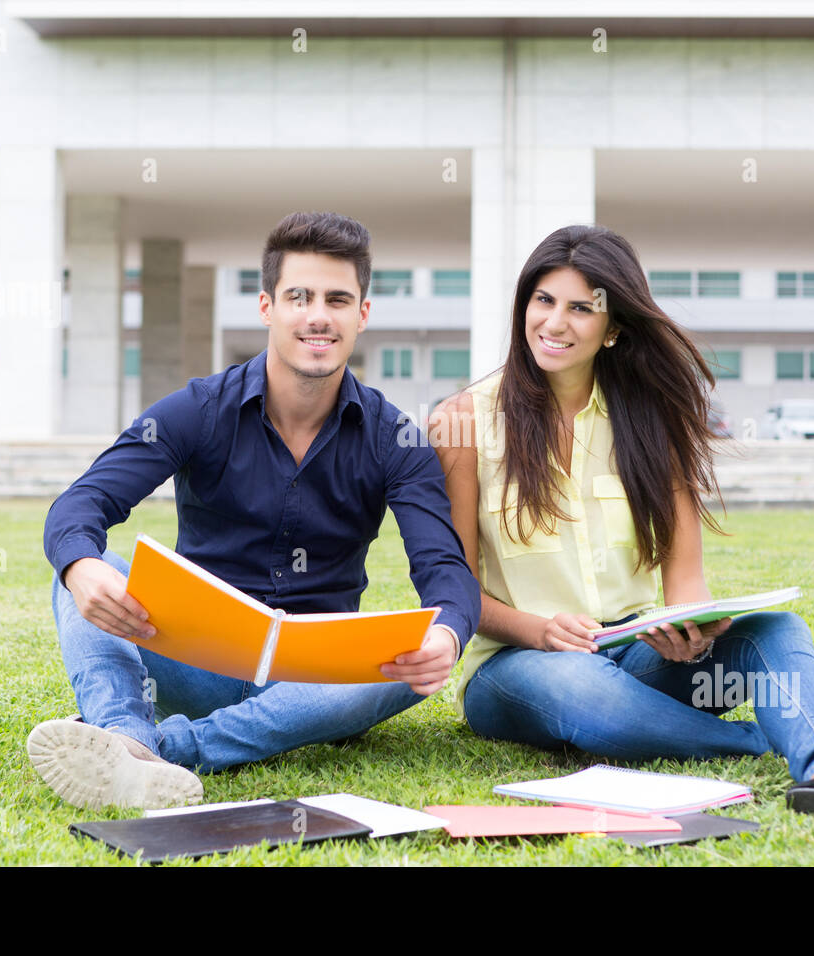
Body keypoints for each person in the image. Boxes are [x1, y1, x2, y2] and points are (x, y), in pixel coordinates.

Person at [430, 224, 814, 816]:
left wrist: (690, 630)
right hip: (517, 669)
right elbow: (460, 591)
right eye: (544, 300)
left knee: (777, 630)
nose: (555, 323)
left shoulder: (651, 421)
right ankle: (780, 740)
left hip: (632, 649)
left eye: (582, 309)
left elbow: (684, 577)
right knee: (582, 689)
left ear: (614, 330)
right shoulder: (464, 421)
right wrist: (541, 631)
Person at [29, 211, 480, 810]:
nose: (318, 315)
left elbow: (445, 569)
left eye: (338, 299)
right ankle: (125, 735)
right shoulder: (196, 409)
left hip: (315, 678)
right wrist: (81, 566)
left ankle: (153, 750)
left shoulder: (394, 438)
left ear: (362, 314)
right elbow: (81, 503)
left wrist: (447, 634)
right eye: (300, 296)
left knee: (405, 668)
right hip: (190, 658)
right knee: (85, 566)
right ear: (267, 306)